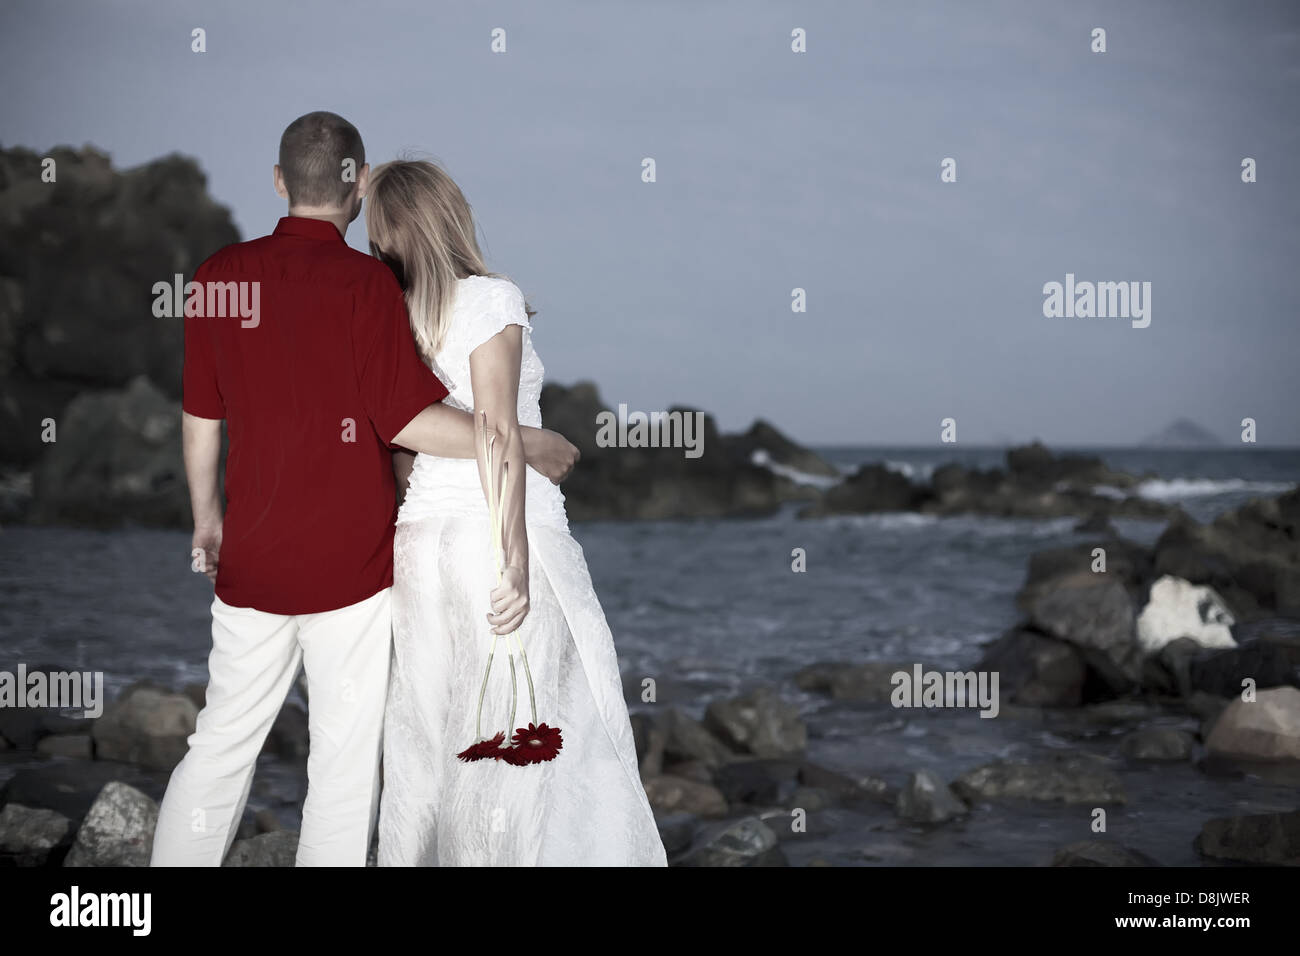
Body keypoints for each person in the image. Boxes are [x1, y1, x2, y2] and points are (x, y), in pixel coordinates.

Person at [151, 112, 578, 867]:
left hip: (251, 560)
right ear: (354, 189)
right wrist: (524, 440)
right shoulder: (367, 285)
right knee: (343, 769)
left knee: (217, 748)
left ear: (280, 182)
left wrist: (207, 522)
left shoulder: (217, 276)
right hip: (352, 569)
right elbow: (406, 417)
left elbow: (200, 417)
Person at [366, 159, 666, 866]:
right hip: (495, 532)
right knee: (534, 743)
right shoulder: (489, 297)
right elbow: (497, 430)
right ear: (453, 212)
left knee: (430, 746)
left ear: (387, 235)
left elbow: (400, 442)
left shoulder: (390, 314)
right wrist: (517, 559)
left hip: (419, 546)